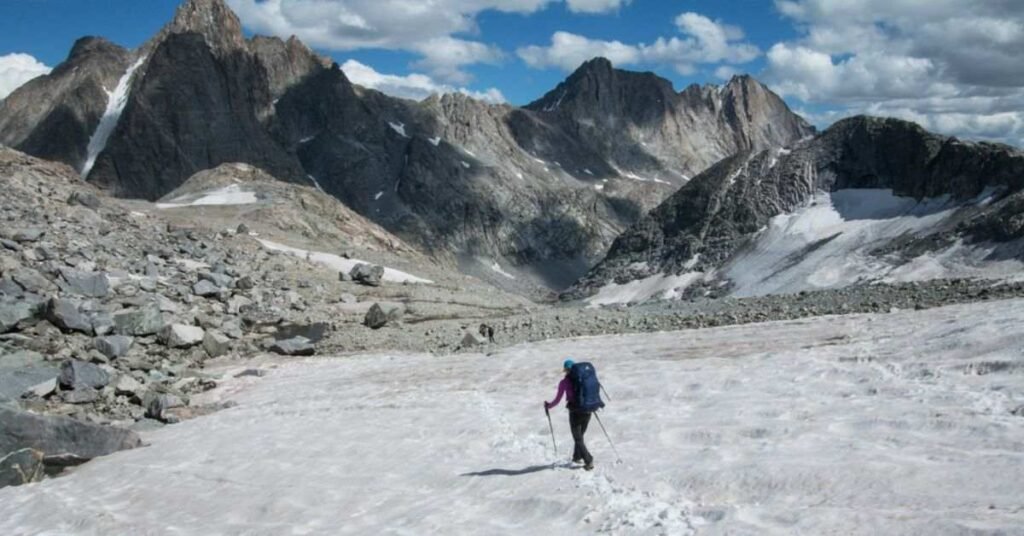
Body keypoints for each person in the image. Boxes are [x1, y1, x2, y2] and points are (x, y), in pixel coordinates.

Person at [544, 359, 594, 470]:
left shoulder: (564, 382)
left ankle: (589, 460)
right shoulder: (584, 379)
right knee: (580, 436)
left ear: (566, 370)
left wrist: (548, 406)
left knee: (577, 438)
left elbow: (557, 400)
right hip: (588, 410)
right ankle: (577, 456)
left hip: (575, 412)